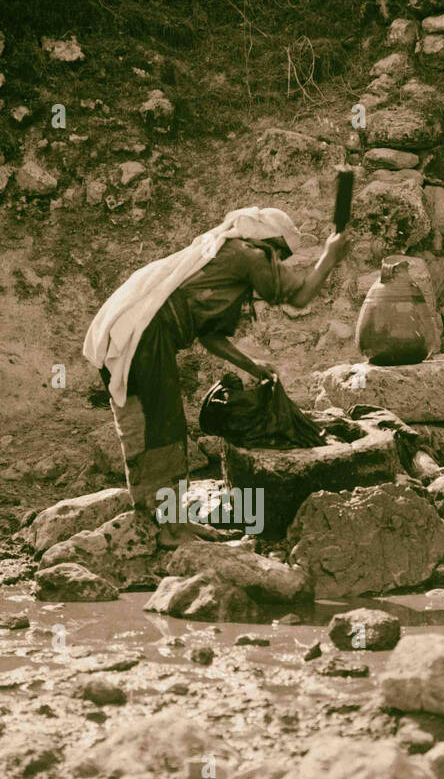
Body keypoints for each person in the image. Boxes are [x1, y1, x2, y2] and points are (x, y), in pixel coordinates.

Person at [83, 206, 348, 544]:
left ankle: (164, 519)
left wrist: (252, 366)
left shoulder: (224, 255)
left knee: (152, 423)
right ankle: (170, 529)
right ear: (267, 241)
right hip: (144, 333)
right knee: (161, 425)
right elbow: (300, 295)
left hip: (135, 329)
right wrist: (330, 255)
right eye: (279, 253)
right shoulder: (248, 254)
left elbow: (210, 335)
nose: (277, 263)